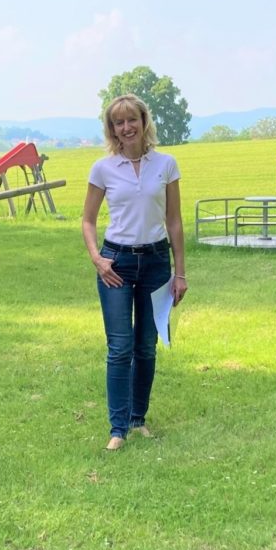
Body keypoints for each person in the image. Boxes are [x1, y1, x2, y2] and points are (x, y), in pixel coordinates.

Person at [82, 94, 187, 451]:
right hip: (116, 264)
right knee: (120, 347)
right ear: (112, 129)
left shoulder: (166, 165)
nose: (126, 127)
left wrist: (180, 273)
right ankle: (118, 429)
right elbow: (87, 220)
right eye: (119, 123)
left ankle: (138, 419)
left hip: (156, 262)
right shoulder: (103, 169)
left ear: (144, 122)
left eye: (132, 120)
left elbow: (174, 221)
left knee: (146, 346)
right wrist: (97, 258)